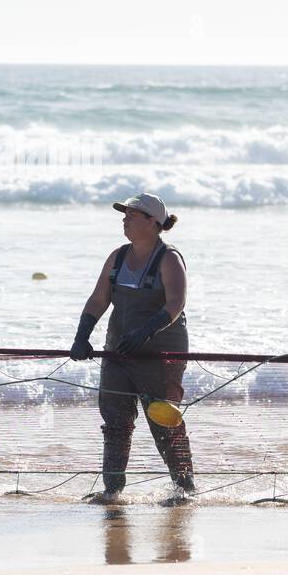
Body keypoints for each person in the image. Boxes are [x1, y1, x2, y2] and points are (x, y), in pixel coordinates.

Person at [70, 192, 194, 504]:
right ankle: (112, 491)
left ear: (153, 223)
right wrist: (82, 336)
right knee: (115, 421)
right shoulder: (117, 257)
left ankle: (185, 489)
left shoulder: (169, 258)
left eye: (131, 215)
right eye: (124, 215)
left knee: (162, 419)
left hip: (160, 353)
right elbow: (99, 299)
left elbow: (176, 304)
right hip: (118, 351)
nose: (124, 220)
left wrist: (146, 331)